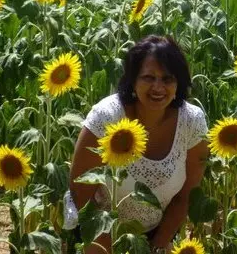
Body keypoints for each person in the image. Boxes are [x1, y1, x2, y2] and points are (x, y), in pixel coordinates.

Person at [67, 35, 209, 253]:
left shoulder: (191, 122)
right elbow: (80, 194)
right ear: (133, 81)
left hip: (155, 234)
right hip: (96, 228)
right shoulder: (108, 117)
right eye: (148, 77)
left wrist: (157, 247)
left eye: (167, 79)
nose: (158, 87)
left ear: (178, 83)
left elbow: (186, 196)